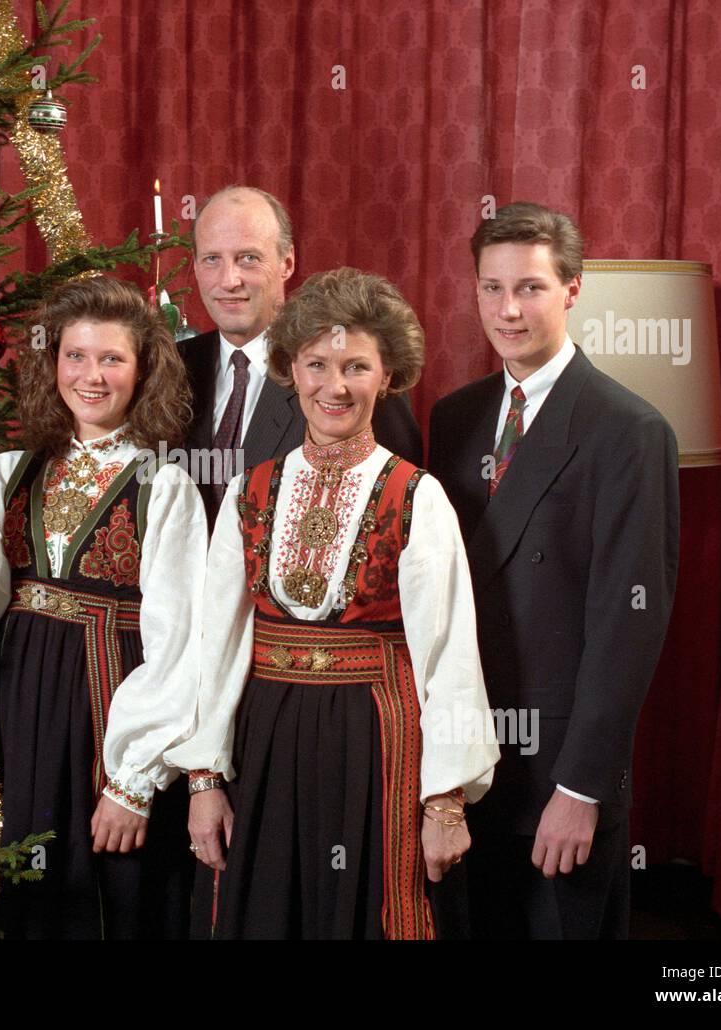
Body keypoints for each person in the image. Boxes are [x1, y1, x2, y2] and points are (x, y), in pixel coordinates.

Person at [166, 267, 498, 939]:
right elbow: (215, 644)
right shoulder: (247, 492)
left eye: (356, 366)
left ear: (388, 375)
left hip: (376, 742)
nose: (334, 386)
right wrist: (203, 779)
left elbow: (449, 654)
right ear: (291, 368)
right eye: (317, 364)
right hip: (266, 739)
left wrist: (445, 803)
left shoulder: (418, 497)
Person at [0, 276, 207, 939]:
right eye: (76, 356)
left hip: (111, 706)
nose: (90, 376)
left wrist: (134, 780)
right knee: (36, 888)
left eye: (111, 359)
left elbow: (181, 644)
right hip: (25, 699)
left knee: (120, 891)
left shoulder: (167, 485)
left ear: (143, 371)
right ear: (53, 365)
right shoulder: (12, 470)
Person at [428, 202, 680, 939]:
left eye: (530, 288)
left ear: (573, 287)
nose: (508, 309)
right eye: (491, 287)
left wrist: (582, 787)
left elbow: (629, 624)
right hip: (463, 760)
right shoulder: (456, 416)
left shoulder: (629, 430)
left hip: (559, 774)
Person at [181, 186, 423, 525]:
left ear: (287, 262)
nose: (229, 280)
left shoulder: (349, 372)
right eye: (212, 259)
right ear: (195, 266)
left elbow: (394, 510)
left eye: (248, 258)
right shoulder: (172, 366)